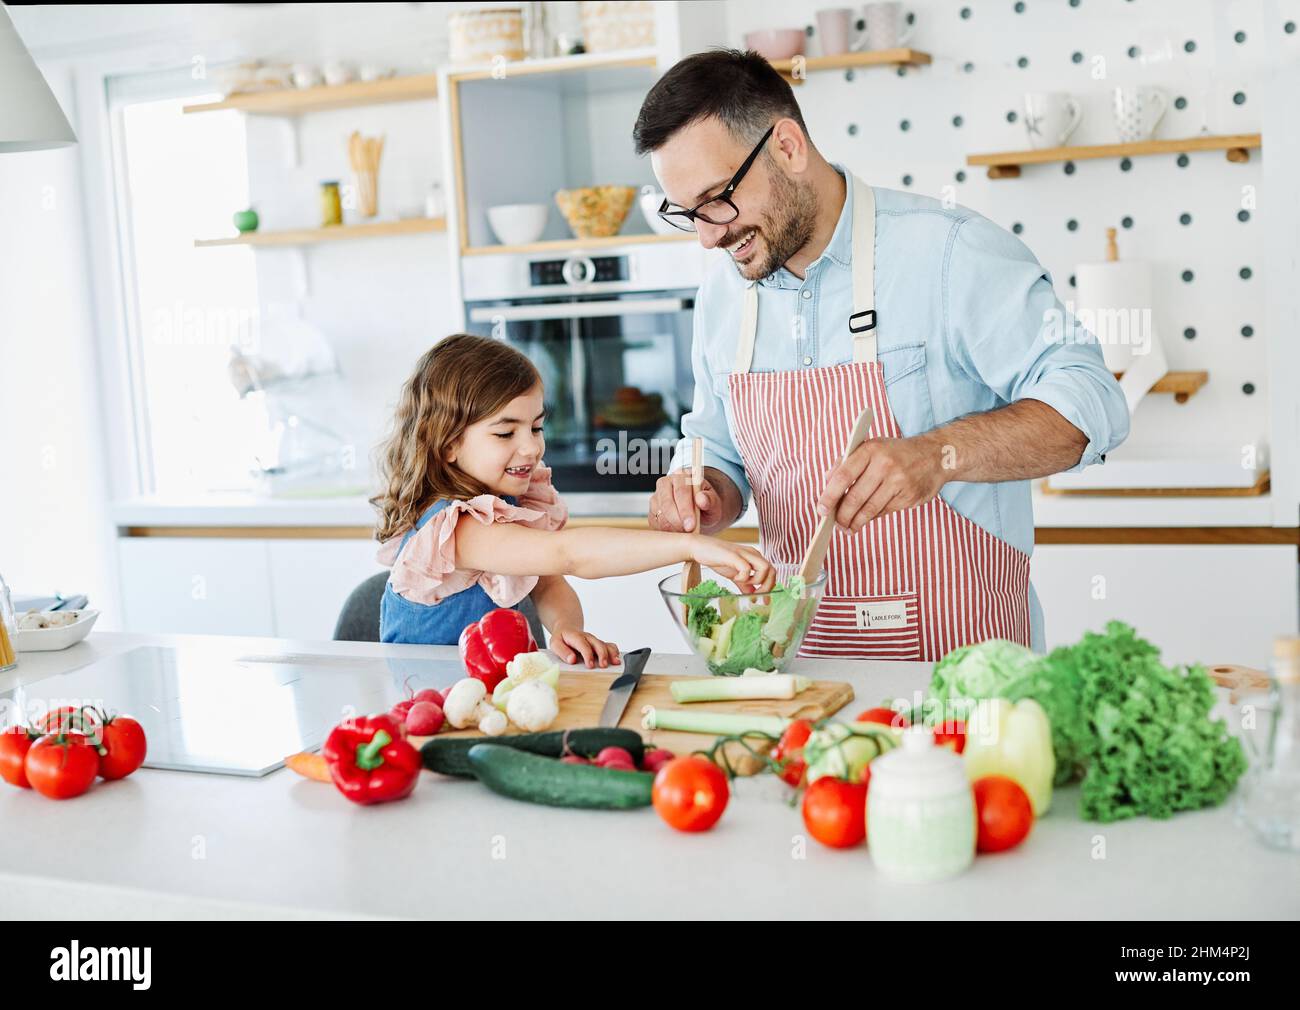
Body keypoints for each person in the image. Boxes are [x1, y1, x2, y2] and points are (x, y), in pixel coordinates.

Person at [635, 50, 1129, 660]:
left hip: (963, 680)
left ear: (787, 147)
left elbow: (1092, 404)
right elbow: (721, 450)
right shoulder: (722, 293)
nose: (709, 234)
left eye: (718, 199)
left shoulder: (951, 252)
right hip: (799, 674)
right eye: (687, 213)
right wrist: (703, 488)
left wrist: (937, 455)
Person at [371, 333, 776, 664]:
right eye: (505, 433)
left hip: (484, 695)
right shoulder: (456, 530)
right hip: (424, 704)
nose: (530, 448)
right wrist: (691, 545)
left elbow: (548, 582)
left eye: (536, 427)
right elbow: (568, 554)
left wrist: (564, 627)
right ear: (447, 445)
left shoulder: (509, 504)